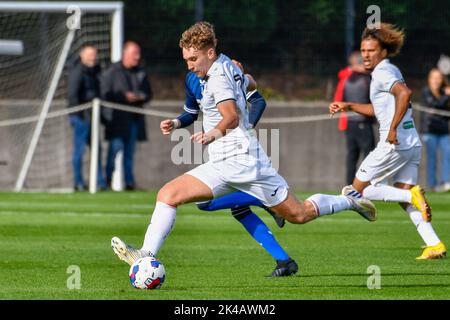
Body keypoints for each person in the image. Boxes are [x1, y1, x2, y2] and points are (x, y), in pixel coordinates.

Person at [111, 22, 377, 274]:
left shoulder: (217, 79)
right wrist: (179, 122)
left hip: (243, 162)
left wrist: (212, 133)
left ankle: (349, 201)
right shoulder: (227, 65)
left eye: (194, 60)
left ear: (210, 52)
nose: (190, 66)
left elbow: (232, 117)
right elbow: (251, 83)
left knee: (299, 214)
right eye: (186, 60)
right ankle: (146, 254)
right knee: (168, 195)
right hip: (226, 161)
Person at [330, 23, 446, 260]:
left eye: (371, 50)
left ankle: (411, 195)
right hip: (410, 143)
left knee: (357, 190)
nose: (365, 55)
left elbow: (405, 94)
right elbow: (380, 108)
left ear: (383, 51)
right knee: (405, 195)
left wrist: (392, 129)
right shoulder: (388, 71)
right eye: (363, 51)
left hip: (394, 143)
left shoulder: (383, 72)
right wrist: (350, 105)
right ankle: (434, 244)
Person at [167, 62, 297, 277]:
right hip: (218, 149)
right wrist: (175, 122)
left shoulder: (228, 75)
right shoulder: (194, 79)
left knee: (204, 202)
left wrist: (249, 126)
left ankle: (263, 201)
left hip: (239, 150)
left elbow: (257, 99)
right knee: (238, 209)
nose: (190, 63)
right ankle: (284, 261)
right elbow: (190, 113)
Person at [101, 41, 152, 190]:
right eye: (134, 54)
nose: (137, 57)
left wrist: (139, 97)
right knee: (114, 150)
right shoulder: (112, 71)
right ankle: (107, 180)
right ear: (125, 54)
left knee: (129, 154)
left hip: (134, 120)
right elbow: (105, 93)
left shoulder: (140, 72)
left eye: (138, 54)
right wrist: (123, 97)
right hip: (116, 121)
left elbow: (148, 94)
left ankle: (129, 182)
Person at [67, 45, 107, 191]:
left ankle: (100, 182)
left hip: (93, 116)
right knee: (79, 150)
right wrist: (79, 116)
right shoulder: (77, 71)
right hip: (82, 117)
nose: (93, 58)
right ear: (82, 56)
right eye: (90, 55)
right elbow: (72, 95)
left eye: (94, 55)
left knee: (97, 149)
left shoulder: (96, 72)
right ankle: (78, 182)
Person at [334, 51, 375, 185]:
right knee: (369, 156)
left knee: (352, 156)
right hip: (363, 122)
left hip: (349, 123)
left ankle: (349, 186)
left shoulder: (346, 79)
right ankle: (365, 185)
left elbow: (339, 99)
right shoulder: (367, 79)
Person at [421, 68, 450, 192]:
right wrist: (447, 96)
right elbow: (435, 105)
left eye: (439, 78)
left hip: (444, 131)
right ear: (430, 79)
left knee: (447, 155)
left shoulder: (445, 92)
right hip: (429, 131)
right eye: (434, 78)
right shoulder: (426, 92)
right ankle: (433, 185)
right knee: (432, 158)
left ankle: (446, 182)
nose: (436, 80)